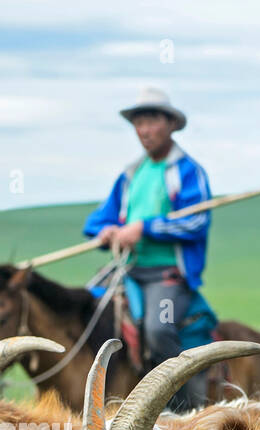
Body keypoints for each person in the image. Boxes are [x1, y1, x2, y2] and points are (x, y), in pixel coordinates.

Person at [83, 87, 213, 409]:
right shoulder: (130, 175)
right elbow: (96, 222)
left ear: (170, 124)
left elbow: (196, 223)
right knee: (80, 312)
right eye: (139, 123)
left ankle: (176, 411)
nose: (144, 130)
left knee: (158, 329)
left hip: (166, 275)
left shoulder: (187, 172)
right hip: (127, 271)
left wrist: (145, 227)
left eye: (152, 121)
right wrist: (108, 231)